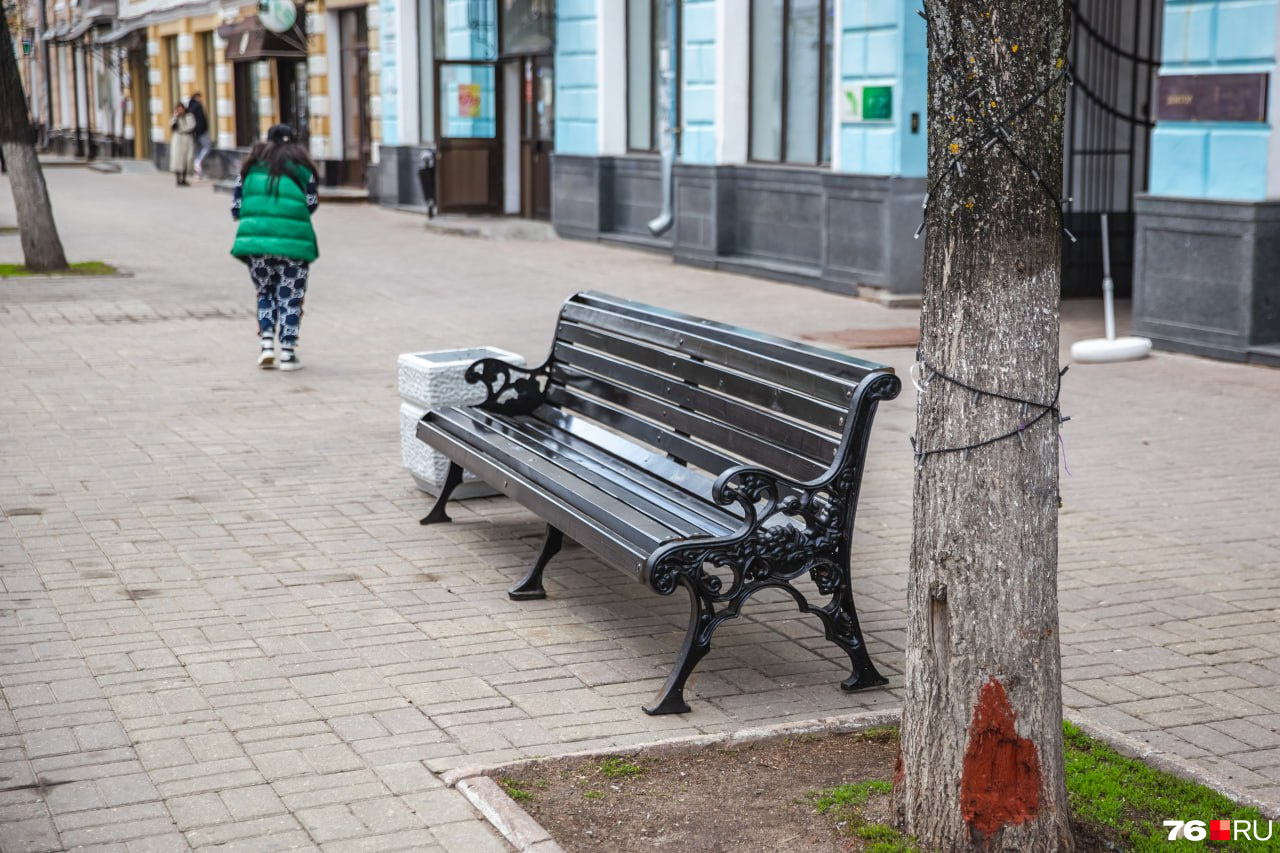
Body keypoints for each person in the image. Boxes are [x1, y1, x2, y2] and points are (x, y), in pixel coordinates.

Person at [230, 124, 319, 371]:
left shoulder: (249, 168)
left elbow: (236, 207)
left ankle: (267, 345)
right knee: (290, 296)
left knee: (265, 293)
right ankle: (288, 353)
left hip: (256, 244)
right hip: (294, 243)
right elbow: (311, 203)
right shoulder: (302, 168)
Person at [168, 103, 196, 186]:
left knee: (187, 158)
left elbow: (191, 127)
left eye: (181, 109)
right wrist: (176, 117)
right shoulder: (174, 117)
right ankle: (178, 179)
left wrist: (185, 129)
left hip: (187, 138)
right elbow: (173, 127)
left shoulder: (189, 116)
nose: (180, 111)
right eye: (178, 109)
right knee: (177, 158)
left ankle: (184, 179)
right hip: (178, 139)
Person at [187, 92, 212, 179]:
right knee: (207, 147)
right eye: (199, 97)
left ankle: (198, 172)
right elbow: (201, 120)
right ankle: (198, 162)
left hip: (194, 133)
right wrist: (203, 128)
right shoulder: (198, 106)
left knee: (197, 150)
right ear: (196, 97)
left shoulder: (189, 107)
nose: (200, 99)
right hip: (201, 131)